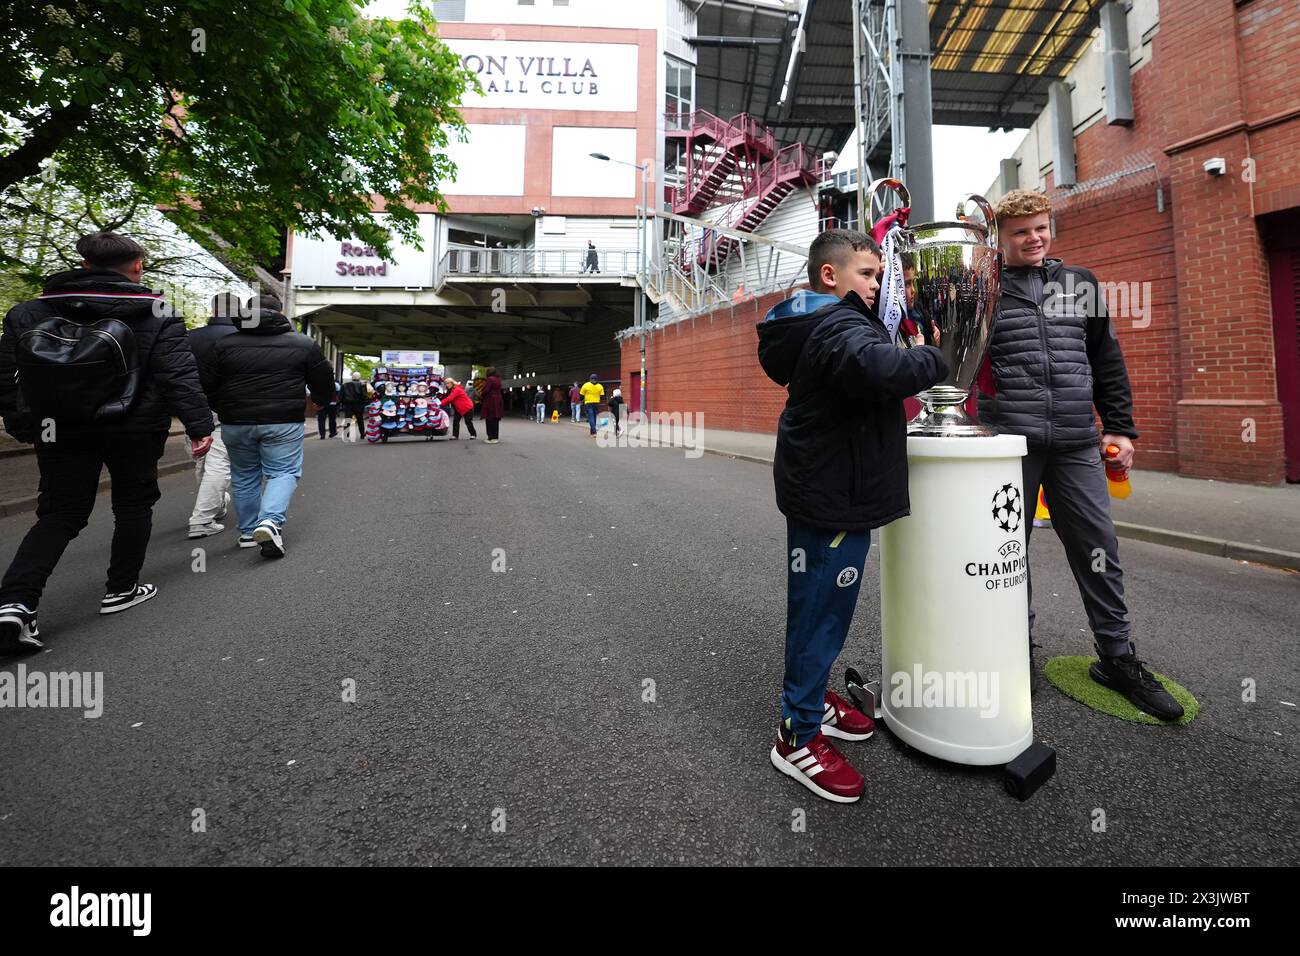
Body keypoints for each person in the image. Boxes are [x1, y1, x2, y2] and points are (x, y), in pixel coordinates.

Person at [756, 228, 947, 803]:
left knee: (825, 608)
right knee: (820, 611)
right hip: (831, 495)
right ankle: (797, 733)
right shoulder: (837, 323)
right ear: (830, 276)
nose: (878, 284)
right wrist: (933, 355)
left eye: (878, 274)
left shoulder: (821, 321)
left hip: (830, 488)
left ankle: (811, 700)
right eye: (867, 274)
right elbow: (881, 371)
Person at [979, 189, 1183, 721]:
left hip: (1075, 442)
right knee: (1006, 557)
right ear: (1001, 235)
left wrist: (1120, 427)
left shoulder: (1080, 284)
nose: (1036, 238)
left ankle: (1116, 659)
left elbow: (1105, 357)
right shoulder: (983, 286)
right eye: (1022, 231)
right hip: (1007, 445)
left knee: (1099, 549)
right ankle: (1011, 657)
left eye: (1042, 227)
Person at [0, 232, 215, 651]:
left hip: (58, 428)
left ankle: (15, 603)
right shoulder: (157, 312)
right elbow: (177, 375)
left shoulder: (28, 312)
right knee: (133, 503)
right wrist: (198, 426)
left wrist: (24, 425)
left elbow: (8, 377)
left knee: (59, 513)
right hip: (133, 426)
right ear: (136, 267)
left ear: (84, 265)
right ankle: (121, 589)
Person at [197, 294, 334, 559]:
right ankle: (269, 522)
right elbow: (323, 376)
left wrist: (221, 407)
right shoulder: (303, 343)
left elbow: (206, 383)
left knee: (244, 475)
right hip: (283, 420)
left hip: (235, 421)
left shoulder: (224, 344)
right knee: (283, 472)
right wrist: (319, 401)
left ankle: (248, 532)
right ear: (280, 312)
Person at [185, 292, 240, 539]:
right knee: (218, 465)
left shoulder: (188, 337)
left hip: (191, 408)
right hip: (227, 408)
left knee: (201, 461)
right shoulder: (241, 339)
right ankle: (202, 519)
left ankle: (216, 507)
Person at [339, 371, 369, 440]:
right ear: (359, 377)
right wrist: (365, 402)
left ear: (352, 377)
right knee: (360, 419)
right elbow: (365, 396)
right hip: (359, 404)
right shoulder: (362, 385)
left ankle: (346, 434)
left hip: (348, 404)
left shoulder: (345, 385)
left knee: (347, 419)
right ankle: (362, 434)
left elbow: (341, 396)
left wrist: (342, 403)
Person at [480, 366, 504, 443]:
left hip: (490, 400)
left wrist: (482, 393)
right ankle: (495, 437)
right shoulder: (498, 379)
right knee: (495, 419)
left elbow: (486, 390)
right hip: (498, 399)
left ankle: (490, 437)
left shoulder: (489, 379)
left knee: (489, 418)